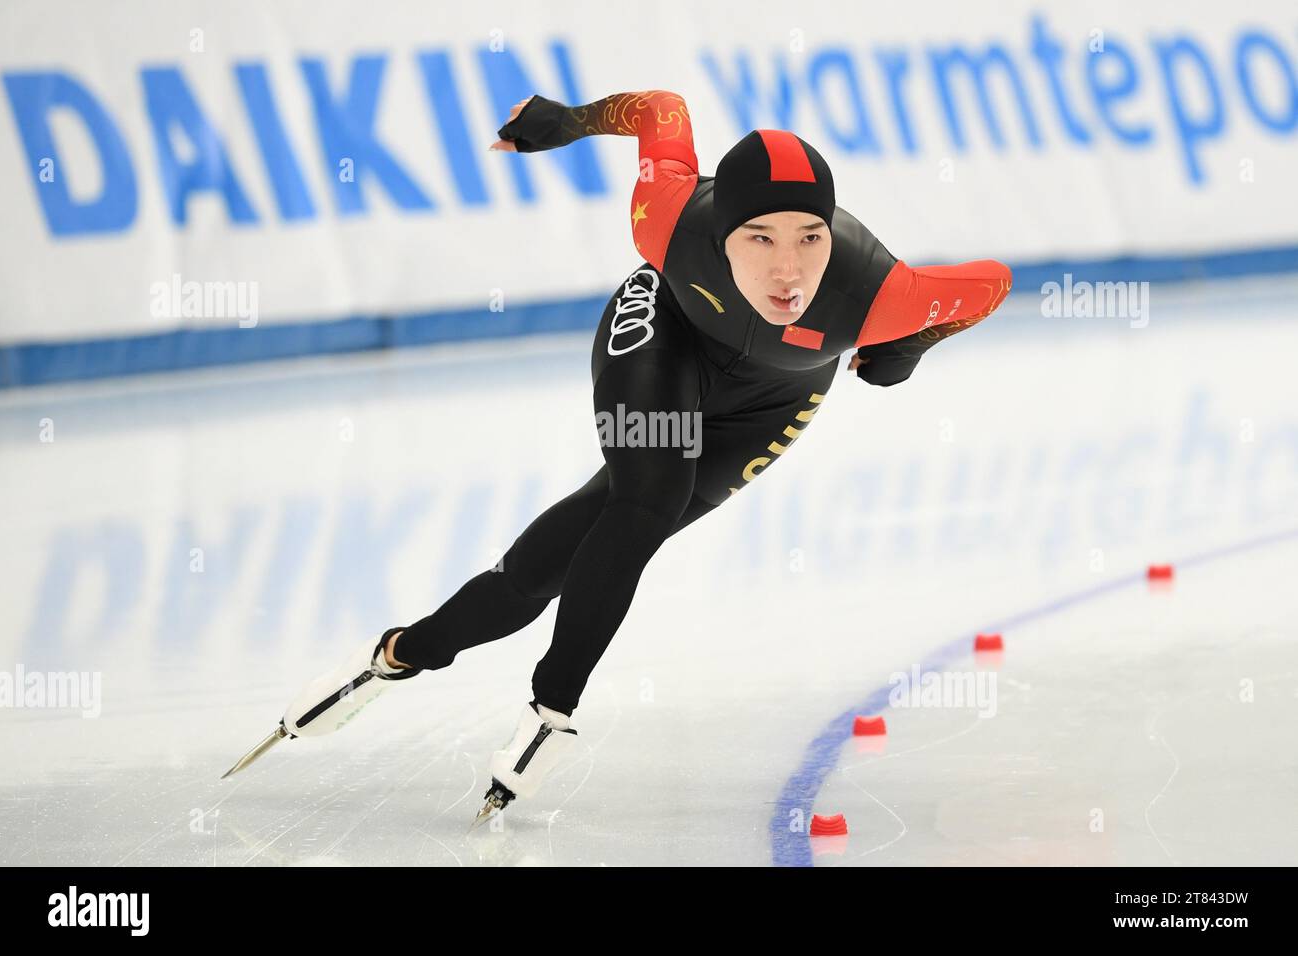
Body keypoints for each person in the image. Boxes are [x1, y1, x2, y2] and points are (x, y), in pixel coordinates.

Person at [223, 91, 1012, 826]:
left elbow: (990, 285)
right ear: (720, 232)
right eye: (759, 237)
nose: (788, 268)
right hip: (664, 337)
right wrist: (568, 121)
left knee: (562, 557)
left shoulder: (884, 292)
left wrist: (910, 343)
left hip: (770, 404)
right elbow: (659, 111)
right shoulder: (666, 218)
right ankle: (553, 711)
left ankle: (407, 651)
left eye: (810, 237)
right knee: (645, 498)